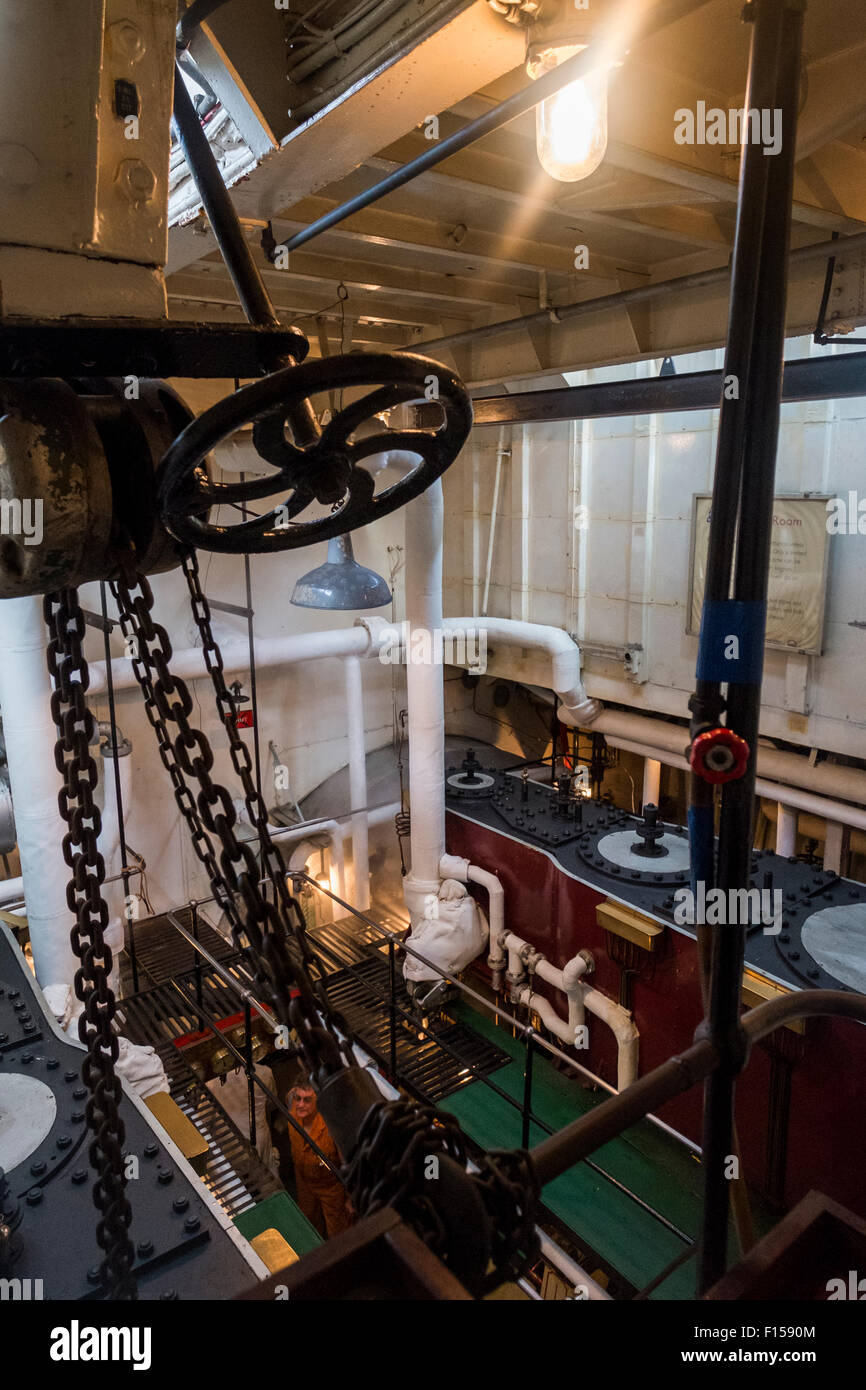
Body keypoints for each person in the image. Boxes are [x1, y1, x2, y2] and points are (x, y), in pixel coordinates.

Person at [284, 1077, 352, 1239]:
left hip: (330, 1187)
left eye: (307, 1100)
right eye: (298, 1098)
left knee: (338, 1230)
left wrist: (350, 1198)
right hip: (304, 1182)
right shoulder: (293, 1110)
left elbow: (347, 1163)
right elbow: (289, 1095)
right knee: (308, 1222)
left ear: (318, 1100)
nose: (300, 1104)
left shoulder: (330, 1126)